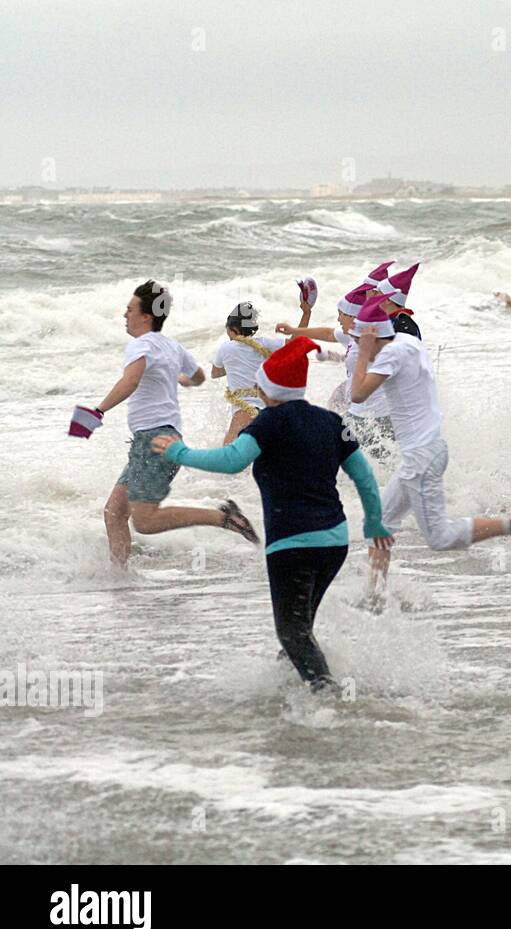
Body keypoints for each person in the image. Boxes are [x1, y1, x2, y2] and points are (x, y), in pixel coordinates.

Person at [152, 338, 392, 690]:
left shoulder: (268, 423)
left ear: (266, 388)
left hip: (292, 545)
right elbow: (366, 478)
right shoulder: (330, 421)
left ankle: (328, 698)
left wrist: (180, 453)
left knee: (291, 633)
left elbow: (232, 460)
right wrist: (373, 522)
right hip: (335, 543)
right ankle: (292, 688)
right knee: (301, 625)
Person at [348, 294, 511, 573]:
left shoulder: (391, 354)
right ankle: (376, 593)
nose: (355, 345)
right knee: (380, 521)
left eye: (358, 340)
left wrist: (363, 353)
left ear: (373, 338)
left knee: (441, 537)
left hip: (421, 457)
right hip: (425, 451)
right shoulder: (408, 343)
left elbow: (358, 394)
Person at [80, 280, 258, 568]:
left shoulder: (139, 344)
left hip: (153, 441)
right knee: (114, 512)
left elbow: (131, 379)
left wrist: (98, 410)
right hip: (161, 437)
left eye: (129, 310)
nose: (125, 315)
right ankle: (119, 578)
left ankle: (223, 516)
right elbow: (199, 376)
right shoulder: (171, 345)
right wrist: (180, 379)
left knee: (145, 521)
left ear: (146, 316)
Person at [277, 284, 396, 460]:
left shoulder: (369, 340)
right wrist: (296, 331)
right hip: (364, 412)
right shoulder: (355, 334)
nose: (338, 318)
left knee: (327, 447)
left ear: (354, 318)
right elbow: (328, 333)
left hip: (370, 415)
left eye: (342, 314)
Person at [213, 301, 295, 445]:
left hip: (246, 410)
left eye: (229, 333)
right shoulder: (264, 343)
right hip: (271, 410)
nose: (229, 337)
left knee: (228, 453)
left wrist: (233, 365)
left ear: (234, 329)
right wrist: (307, 313)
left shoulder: (226, 348)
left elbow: (215, 373)